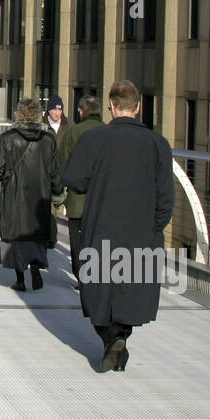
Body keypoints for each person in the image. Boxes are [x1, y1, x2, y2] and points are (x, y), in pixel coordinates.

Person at [61, 80, 174, 373]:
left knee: (98, 290)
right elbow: (166, 198)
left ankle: (112, 338)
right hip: (141, 231)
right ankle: (120, 337)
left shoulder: (95, 139)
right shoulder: (158, 145)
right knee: (131, 291)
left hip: (101, 225)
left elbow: (72, 178)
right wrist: (154, 228)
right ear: (138, 108)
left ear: (111, 107)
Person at [0, 97, 62, 292]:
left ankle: (20, 279)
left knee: (16, 237)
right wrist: (58, 194)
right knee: (36, 235)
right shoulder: (48, 140)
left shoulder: (9, 138)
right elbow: (54, 172)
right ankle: (36, 270)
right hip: (40, 197)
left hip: (14, 195)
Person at [57, 94, 103, 286]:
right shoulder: (108, 131)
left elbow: (63, 163)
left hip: (77, 198)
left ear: (81, 111)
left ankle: (81, 273)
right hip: (102, 197)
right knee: (98, 237)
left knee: (77, 238)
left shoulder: (72, 132)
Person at [44, 95, 66, 249]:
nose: (57, 113)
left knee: (58, 204)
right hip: (46, 172)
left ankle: (51, 234)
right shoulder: (42, 126)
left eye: (60, 109)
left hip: (64, 172)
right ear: (48, 111)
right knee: (50, 206)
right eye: (54, 109)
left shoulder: (69, 126)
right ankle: (50, 237)